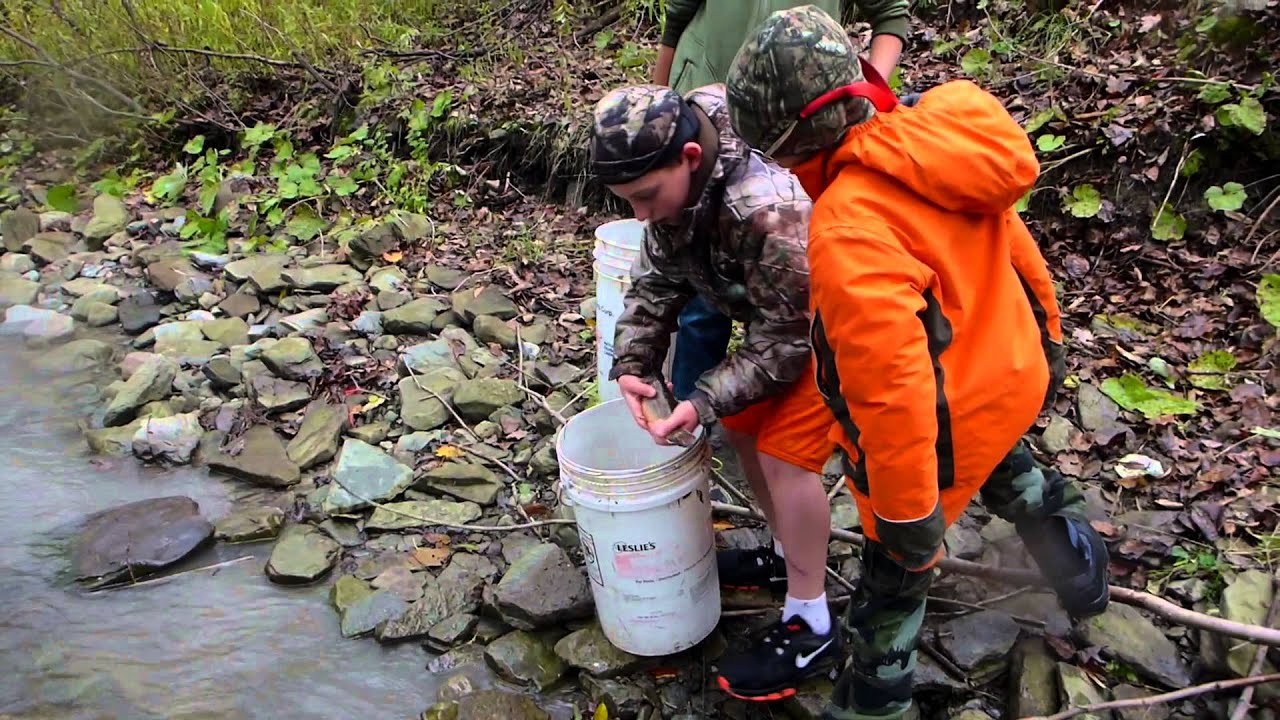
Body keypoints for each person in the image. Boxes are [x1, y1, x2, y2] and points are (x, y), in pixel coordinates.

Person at [723, 6, 1112, 716]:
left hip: (944, 416)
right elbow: (1017, 247)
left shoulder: (848, 228)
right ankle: (1080, 573)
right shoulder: (942, 134)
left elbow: (891, 392)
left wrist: (905, 521)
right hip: (1007, 369)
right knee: (1007, 463)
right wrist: (1049, 344)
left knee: (892, 590)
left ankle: (871, 700)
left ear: (782, 146)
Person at [589, 82, 846, 696]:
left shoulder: (767, 209)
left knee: (786, 454)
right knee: (741, 425)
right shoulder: (670, 179)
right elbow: (655, 278)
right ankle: (786, 555)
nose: (641, 214)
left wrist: (698, 400)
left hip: (834, 320)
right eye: (628, 201)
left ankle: (811, 620)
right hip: (772, 317)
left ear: (691, 159)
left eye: (647, 197)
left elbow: (787, 345)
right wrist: (634, 361)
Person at [652, 0, 910, 406]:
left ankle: (799, 410)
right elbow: (678, 17)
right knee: (702, 302)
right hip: (706, 130)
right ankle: (693, 416)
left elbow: (891, 14)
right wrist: (660, 111)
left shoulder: (850, 214)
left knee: (801, 289)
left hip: (802, 134)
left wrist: (857, 96)